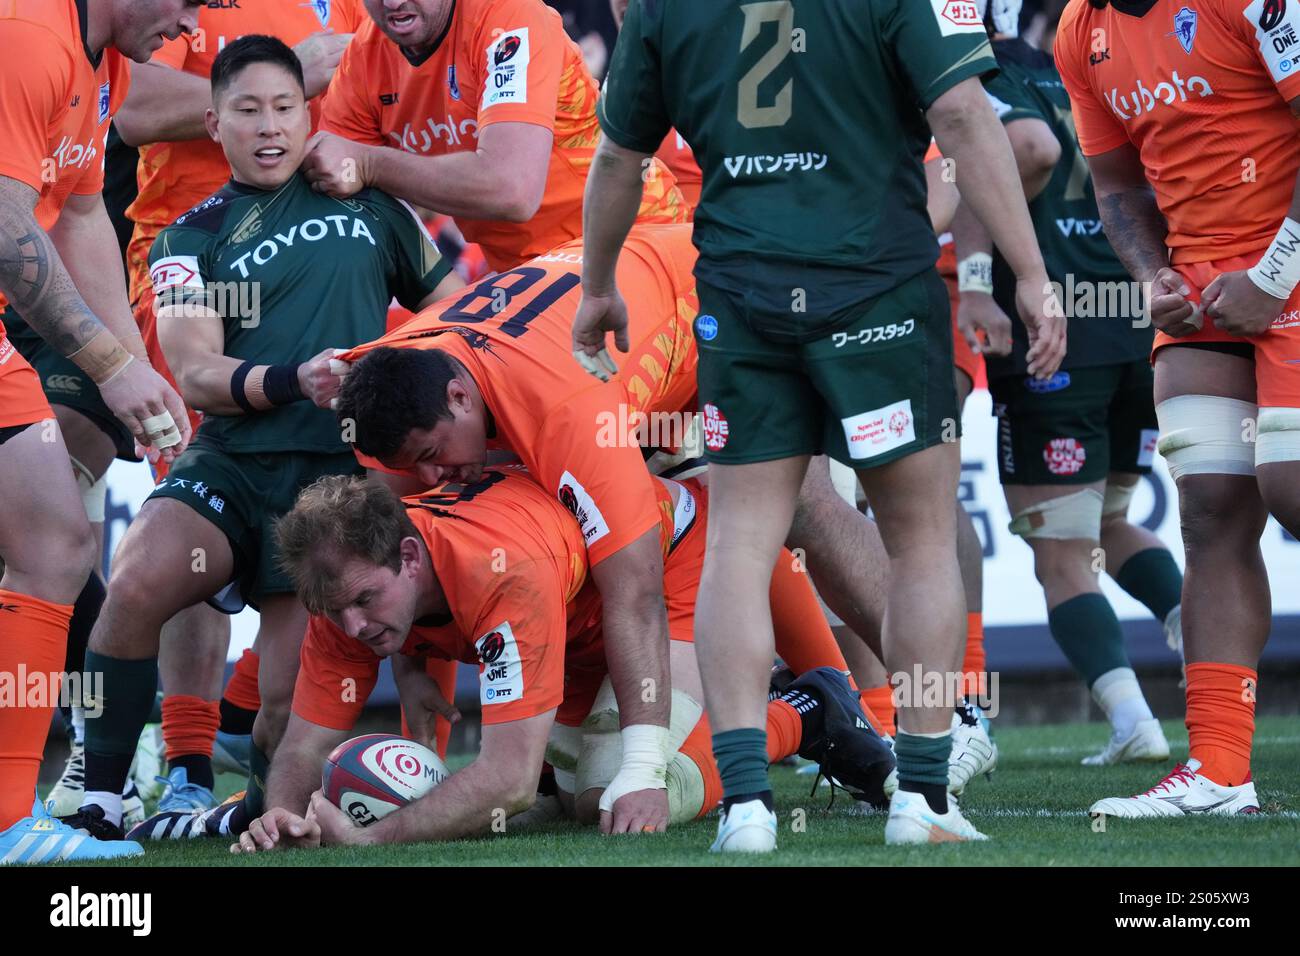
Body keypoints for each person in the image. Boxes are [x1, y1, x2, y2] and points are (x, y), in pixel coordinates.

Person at [579, 0, 1066, 849]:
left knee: (740, 544)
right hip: (874, 289)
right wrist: (1028, 272)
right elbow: (961, 115)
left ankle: (745, 809)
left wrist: (597, 285)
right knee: (918, 541)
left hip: (741, 296)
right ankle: (921, 799)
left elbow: (619, 154)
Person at [57, 35, 453, 843]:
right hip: (232, 463)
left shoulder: (372, 207)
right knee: (134, 585)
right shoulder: (187, 237)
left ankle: (247, 816)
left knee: (281, 700)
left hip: (334, 486)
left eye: (285, 108)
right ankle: (100, 798)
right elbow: (196, 370)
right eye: (248, 110)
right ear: (214, 122)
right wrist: (290, 379)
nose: (269, 126)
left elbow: (458, 312)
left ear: (309, 114)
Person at [231, 469, 892, 850]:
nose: (353, 626)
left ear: (408, 558)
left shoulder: (495, 570)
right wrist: (285, 815)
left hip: (671, 572)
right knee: (570, 804)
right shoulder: (345, 591)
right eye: (335, 611)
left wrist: (376, 839)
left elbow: (506, 778)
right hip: (578, 625)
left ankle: (809, 711)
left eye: (365, 602)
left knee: (630, 800)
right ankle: (595, 764)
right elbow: (302, 747)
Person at [334, 222, 699, 834]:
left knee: (788, 501)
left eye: (432, 451)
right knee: (578, 796)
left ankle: (832, 706)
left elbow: (635, 594)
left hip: (705, 299)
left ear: (459, 396)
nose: (430, 476)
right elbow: (401, 554)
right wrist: (414, 671)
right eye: (407, 464)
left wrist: (644, 767)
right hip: (595, 322)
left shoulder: (568, 414)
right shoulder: (396, 385)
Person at [1055, 0, 1300, 818]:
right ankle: (1220, 773)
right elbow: (1118, 184)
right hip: (1202, 294)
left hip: (1289, 269)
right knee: (1210, 511)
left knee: (1292, 486)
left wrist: (1273, 276)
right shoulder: (1076, 33)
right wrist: (1149, 274)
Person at [953, 0, 1183, 766]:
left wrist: (979, 277)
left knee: (1061, 550)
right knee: (1111, 525)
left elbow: (1022, 150)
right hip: (1135, 324)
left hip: (1060, 336)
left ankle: (1133, 721)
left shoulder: (979, 75)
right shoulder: (1081, 64)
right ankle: (1202, 641)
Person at [0, 0, 200, 865]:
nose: (190, 24)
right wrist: (111, 366)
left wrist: (135, 376)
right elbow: (7, 231)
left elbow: (81, 221)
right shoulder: (28, 33)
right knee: (51, 535)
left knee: (52, 535)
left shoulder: (102, 61)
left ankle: (12, 820)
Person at [302, 0, 688, 273]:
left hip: (631, 245)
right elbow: (335, 186)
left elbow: (511, 190)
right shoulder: (363, 59)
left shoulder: (509, 16)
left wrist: (368, 164)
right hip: (520, 274)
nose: (393, 1)